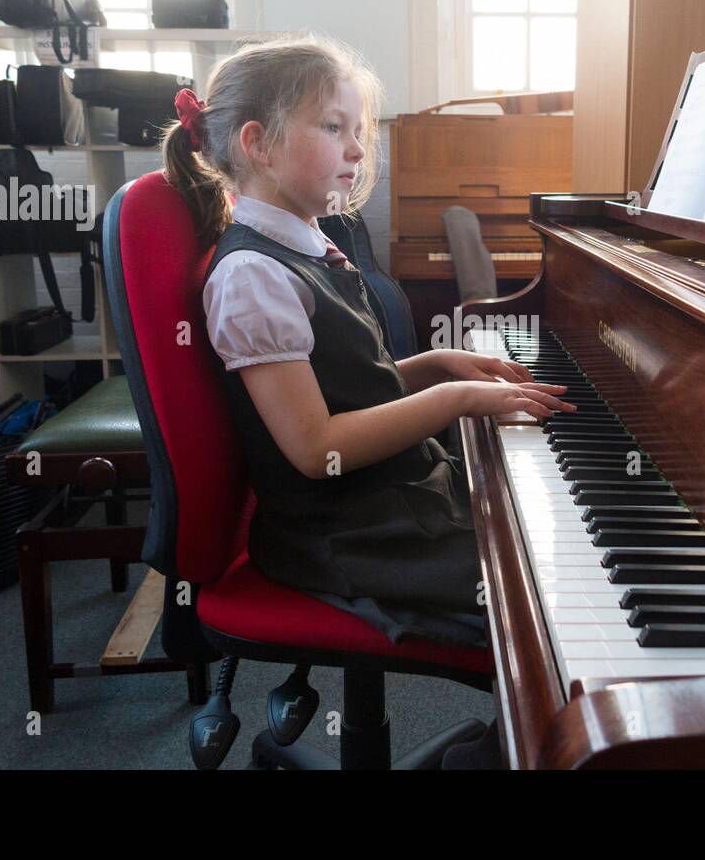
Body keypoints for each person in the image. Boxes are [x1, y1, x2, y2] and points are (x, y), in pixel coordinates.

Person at [161, 33, 575, 656]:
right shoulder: (254, 277)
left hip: (386, 503)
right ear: (258, 143)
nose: (357, 150)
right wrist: (456, 398)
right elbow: (315, 446)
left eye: (359, 131)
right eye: (334, 127)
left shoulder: (305, 244)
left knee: (548, 532)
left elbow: (345, 385)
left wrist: (435, 365)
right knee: (553, 601)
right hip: (347, 536)